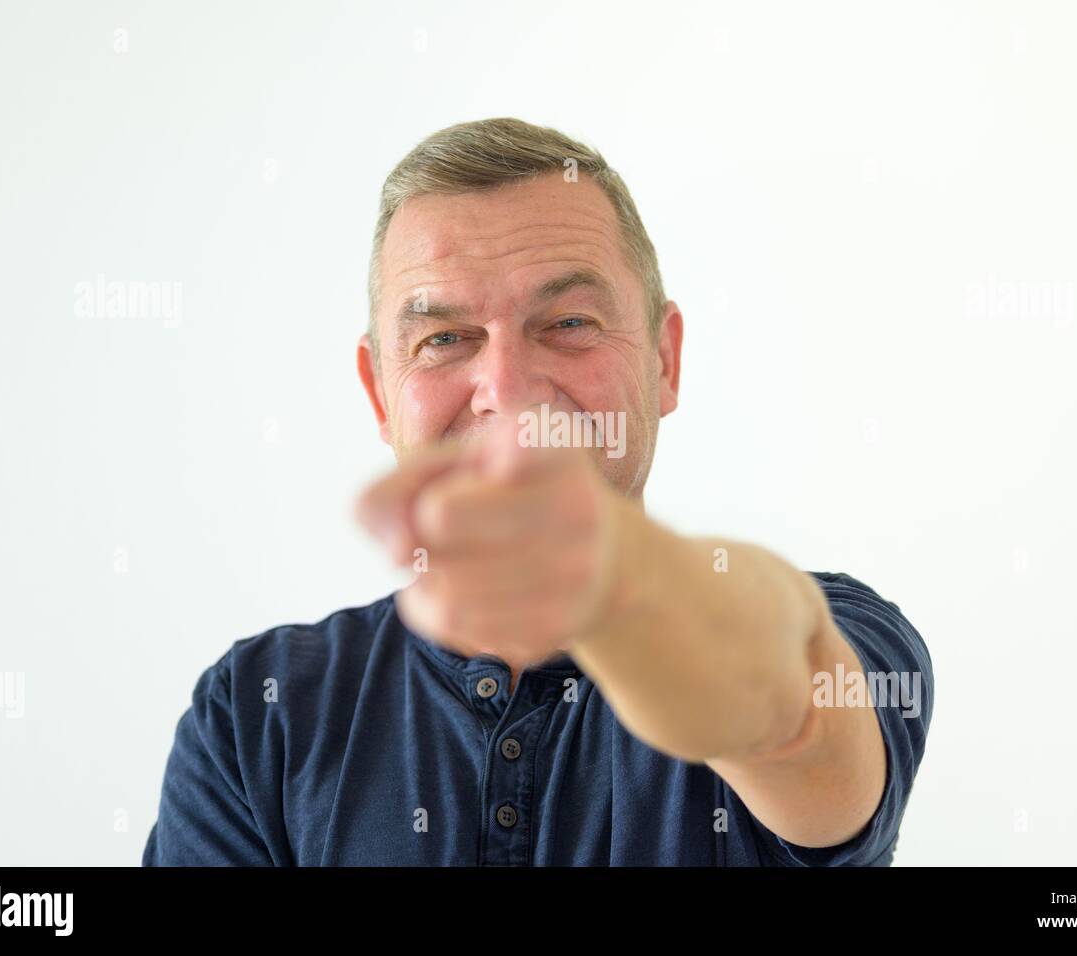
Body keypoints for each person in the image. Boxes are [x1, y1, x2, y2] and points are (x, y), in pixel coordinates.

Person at [142, 117, 934, 866]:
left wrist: (609, 580)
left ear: (665, 360)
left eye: (569, 323)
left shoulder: (852, 640)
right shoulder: (256, 716)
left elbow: (791, 711)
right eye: (443, 339)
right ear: (381, 394)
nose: (510, 394)